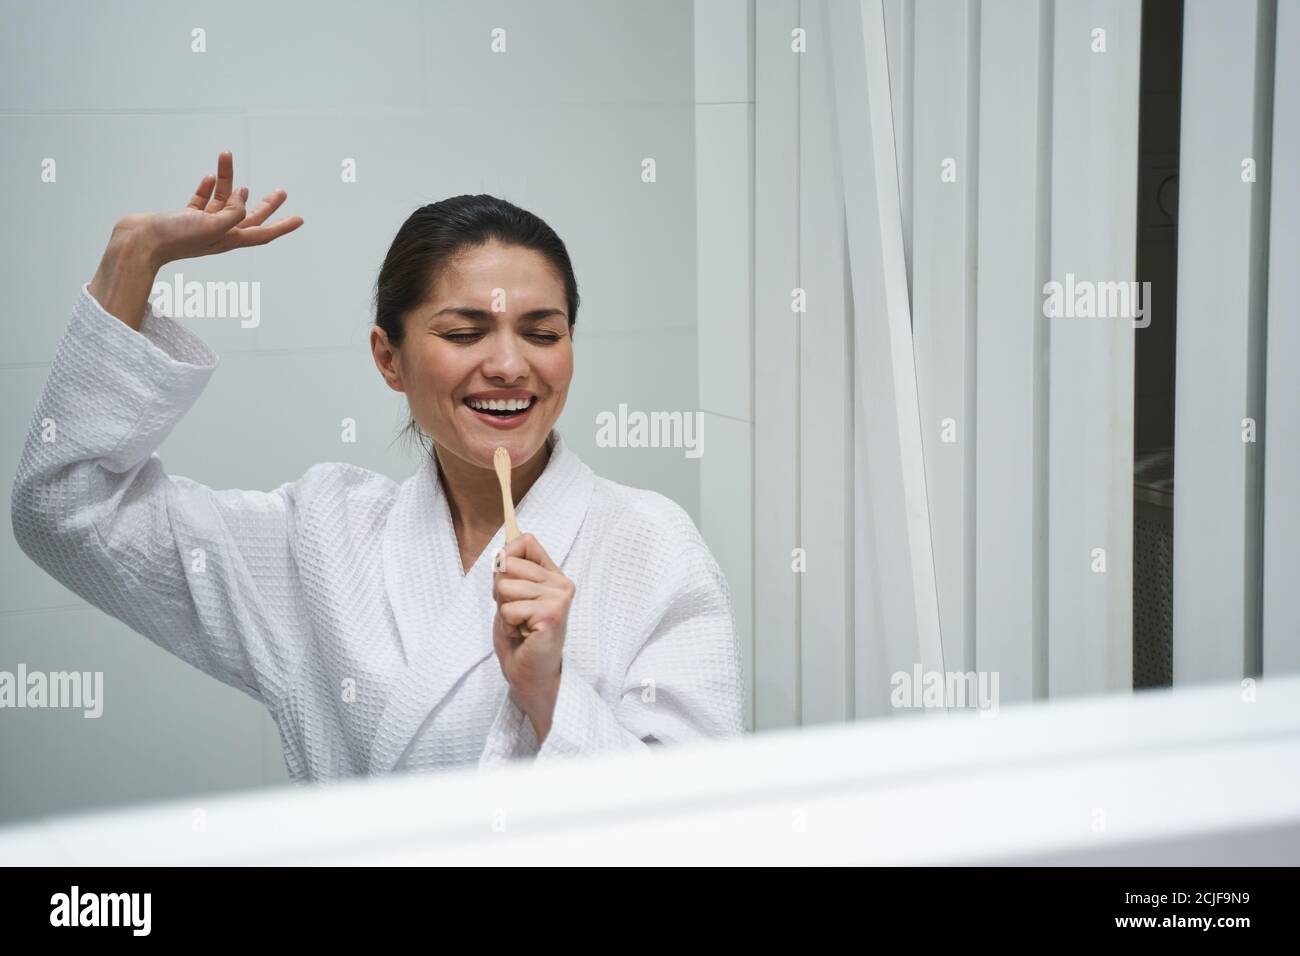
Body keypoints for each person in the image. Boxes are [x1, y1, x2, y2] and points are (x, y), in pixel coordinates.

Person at [10, 151, 744, 782]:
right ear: (387, 359)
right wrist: (133, 260)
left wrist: (551, 693)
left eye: (542, 332)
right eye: (464, 332)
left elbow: (704, 831)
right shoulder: (321, 540)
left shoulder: (651, 546)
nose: (511, 366)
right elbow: (65, 512)